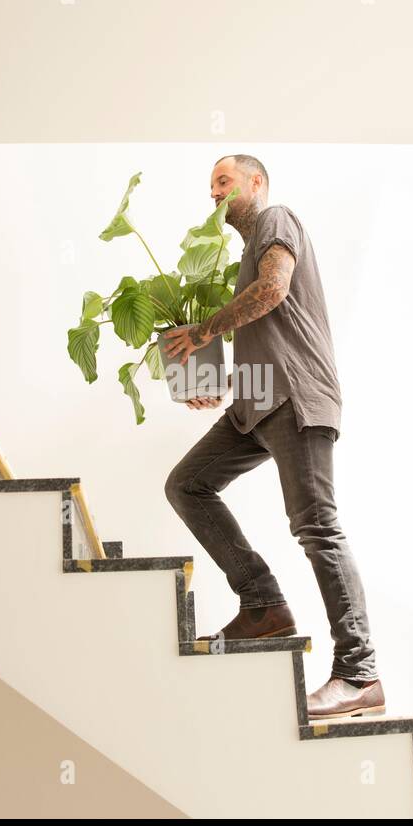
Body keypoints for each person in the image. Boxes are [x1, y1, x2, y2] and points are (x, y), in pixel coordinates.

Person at [161, 154, 384, 721]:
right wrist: (215, 382)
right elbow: (269, 332)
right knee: (188, 484)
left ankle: (360, 674)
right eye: (209, 184)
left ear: (255, 182)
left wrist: (203, 330)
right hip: (256, 400)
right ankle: (262, 603)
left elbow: (274, 290)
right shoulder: (244, 251)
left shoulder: (275, 219)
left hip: (297, 396)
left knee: (316, 525)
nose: (213, 192)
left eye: (223, 180)